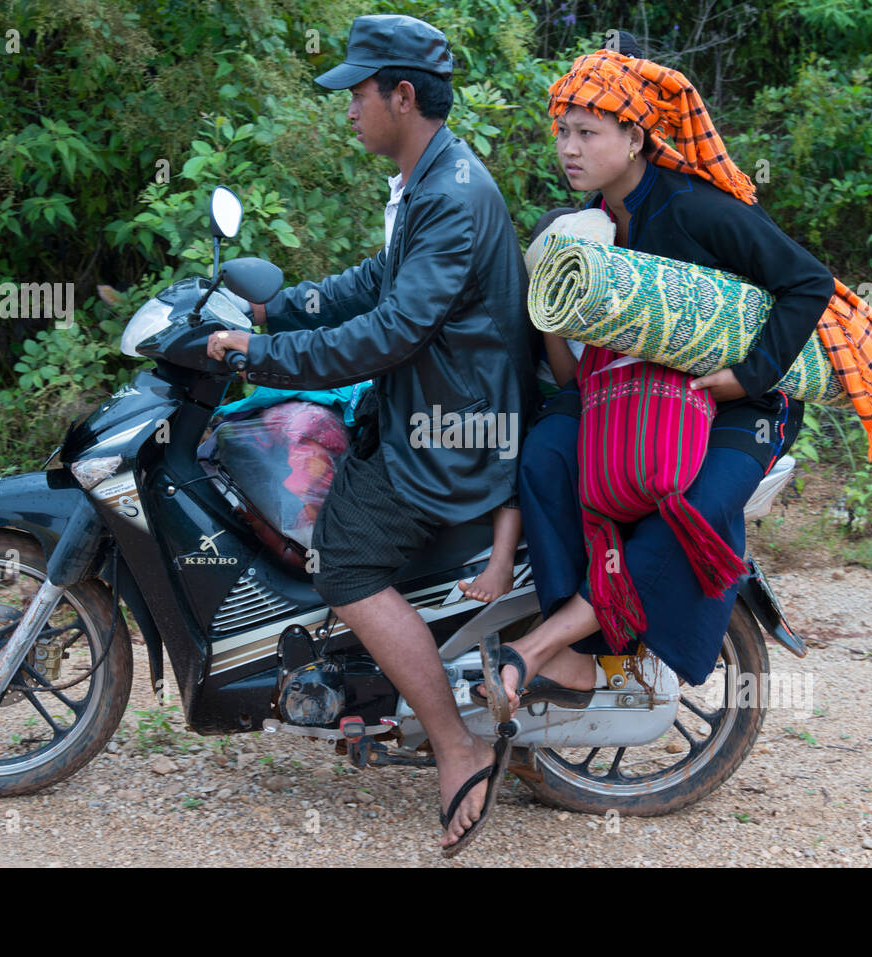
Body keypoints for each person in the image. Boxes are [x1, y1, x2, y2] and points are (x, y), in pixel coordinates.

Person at [207, 14, 535, 854]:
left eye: (358, 91)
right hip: (431, 406)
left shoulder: (452, 197)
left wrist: (264, 354)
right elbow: (373, 283)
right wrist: (272, 309)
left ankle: (455, 742)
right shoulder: (427, 180)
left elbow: (394, 328)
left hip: (449, 429)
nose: (348, 106)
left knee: (344, 559)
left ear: (401, 94)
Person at [480, 39, 838, 716]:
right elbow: (576, 362)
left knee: (697, 509)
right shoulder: (589, 225)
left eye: (588, 132)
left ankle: (539, 647)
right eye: (562, 131)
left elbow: (807, 281)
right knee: (548, 455)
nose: (569, 148)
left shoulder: (694, 208)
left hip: (746, 398)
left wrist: (747, 376)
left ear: (636, 135)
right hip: (641, 392)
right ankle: (585, 659)